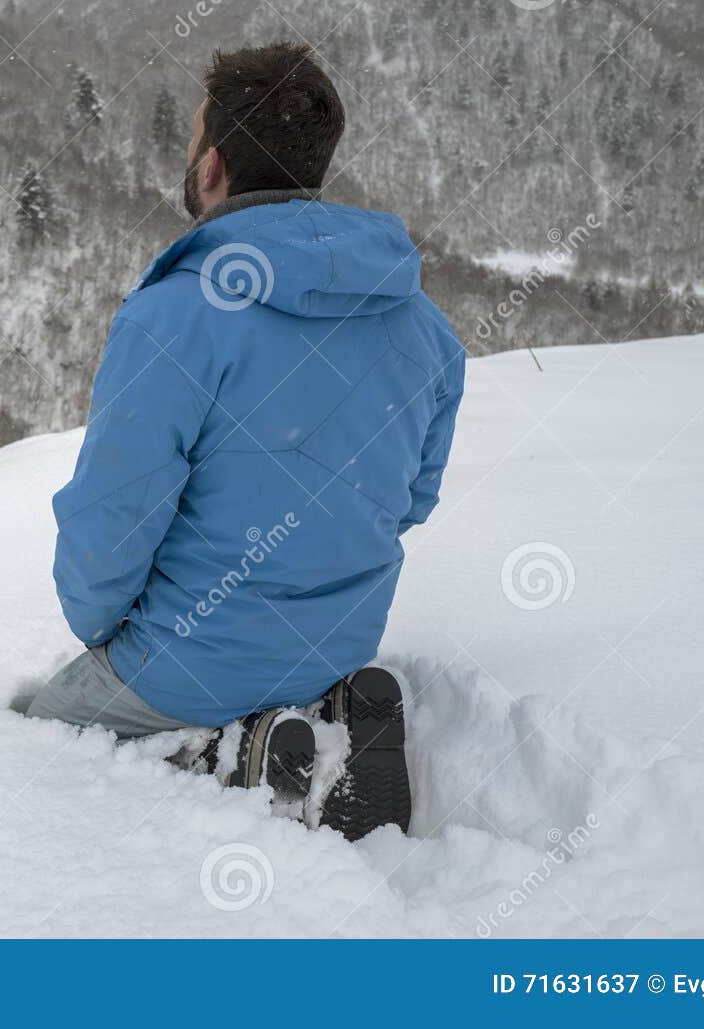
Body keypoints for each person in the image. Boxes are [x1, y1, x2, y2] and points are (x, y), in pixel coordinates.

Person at [26, 43, 465, 841]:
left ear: (212, 167)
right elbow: (412, 499)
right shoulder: (422, 325)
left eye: (195, 140)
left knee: (38, 724)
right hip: (345, 633)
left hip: (191, 659)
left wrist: (103, 635)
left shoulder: (172, 318)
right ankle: (319, 708)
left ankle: (231, 756)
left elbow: (112, 519)